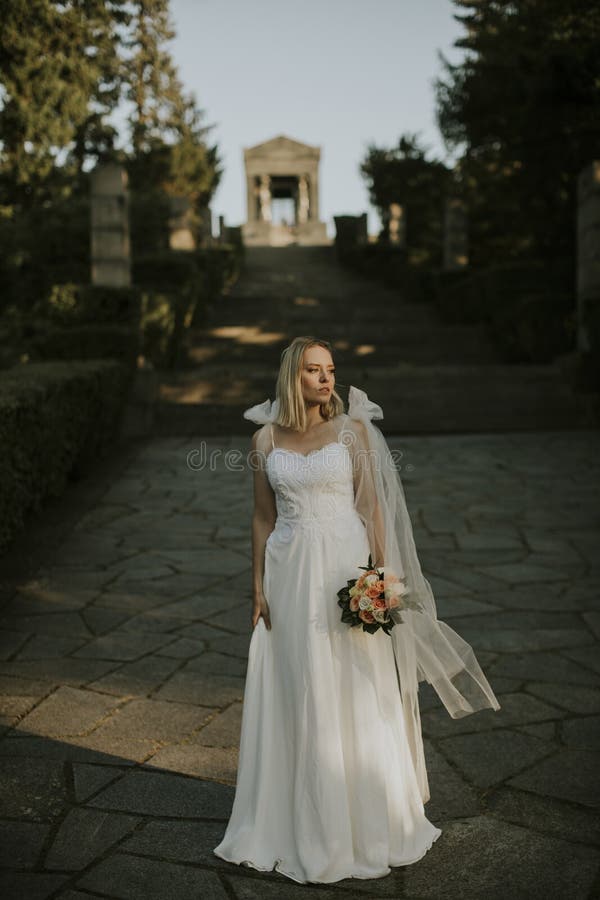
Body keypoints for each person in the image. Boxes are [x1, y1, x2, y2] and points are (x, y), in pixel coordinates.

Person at [213, 336, 500, 885]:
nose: (327, 379)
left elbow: (371, 510)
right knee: (298, 683)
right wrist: (256, 585)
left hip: (345, 570)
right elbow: (260, 516)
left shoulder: (353, 433)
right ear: (292, 378)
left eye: (331, 370)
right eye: (314, 371)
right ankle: (290, 818)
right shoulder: (264, 439)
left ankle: (364, 820)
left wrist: (382, 581)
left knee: (353, 683)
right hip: (289, 569)